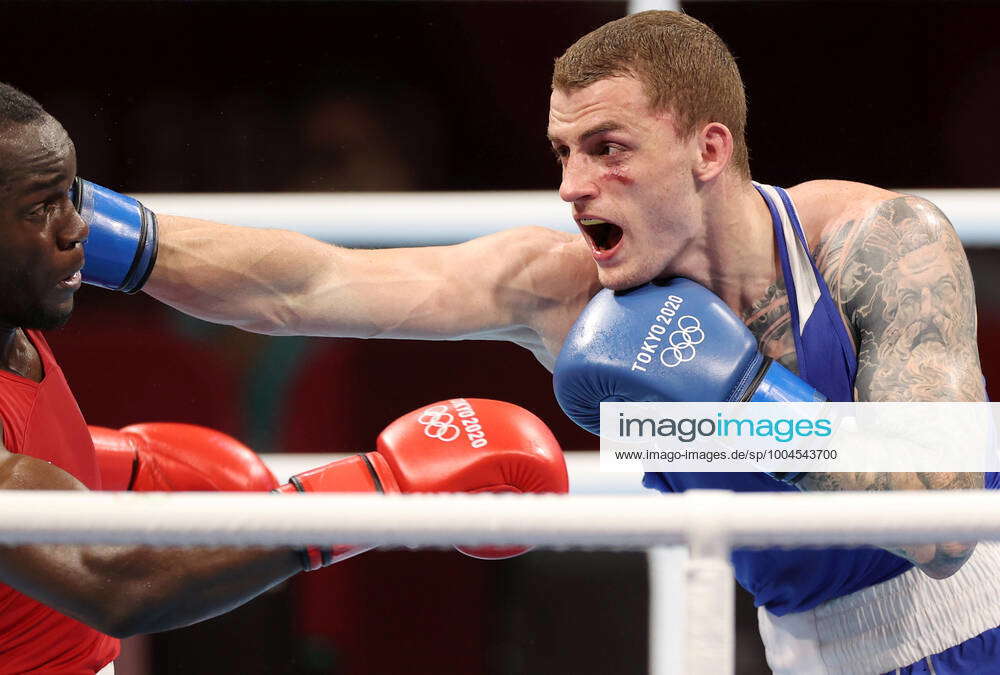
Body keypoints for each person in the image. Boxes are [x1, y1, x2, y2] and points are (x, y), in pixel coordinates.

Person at [42, 9, 998, 673]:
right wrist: (84, 225)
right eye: (563, 152)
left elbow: (946, 526)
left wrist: (748, 404)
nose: (574, 185)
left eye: (608, 148)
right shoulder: (566, 293)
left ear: (710, 149)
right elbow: (307, 284)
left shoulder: (876, 246)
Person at [0, 80, 570, 674]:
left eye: (74, 197)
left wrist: (105, 461)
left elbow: (296, 285)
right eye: (43, 207)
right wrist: (377, 489)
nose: (77, 229)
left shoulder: (18, 306)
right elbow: (109, 580)